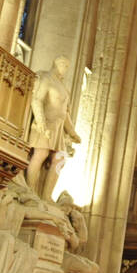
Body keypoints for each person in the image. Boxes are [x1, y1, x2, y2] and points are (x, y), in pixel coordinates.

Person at [26, 56, 81, 201]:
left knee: (60, 159)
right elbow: (37, 100)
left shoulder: (63, 87)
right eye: (63, 64)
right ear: (55, 64)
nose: (65, 68)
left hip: (57, 128)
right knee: (41, 154)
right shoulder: (45, 78)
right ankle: (29, 191)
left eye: (67, 66)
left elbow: (65, 113)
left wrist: (72, 132)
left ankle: (46, 196)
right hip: (45, 124)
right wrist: (41, 122)